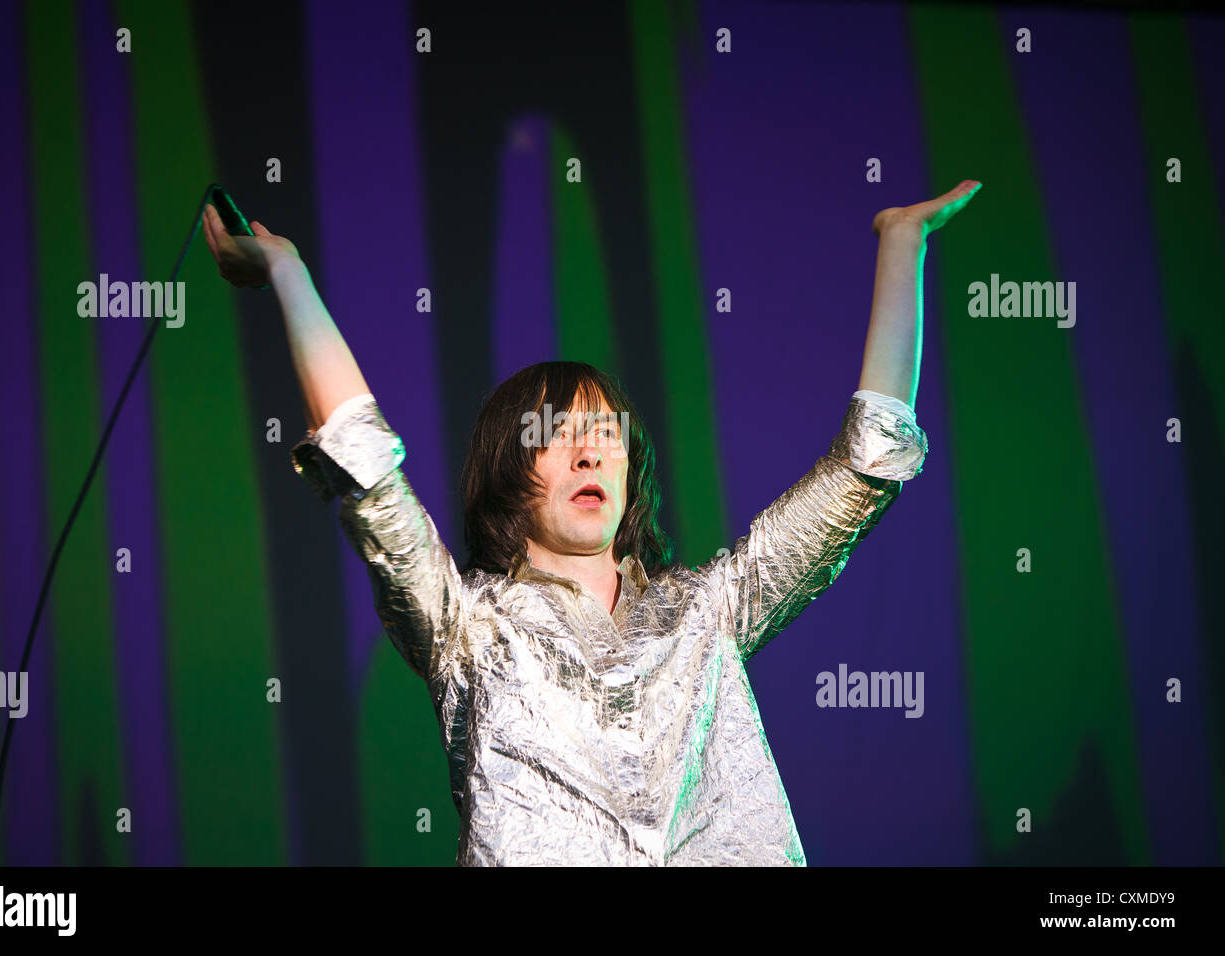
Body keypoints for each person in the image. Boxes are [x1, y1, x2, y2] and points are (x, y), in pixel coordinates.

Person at [201, 179, 980, 865]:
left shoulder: (709, 612)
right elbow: (365, 464)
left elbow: (866, 465)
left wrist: (900, 245)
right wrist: (289, 272)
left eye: (606, 434)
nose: (587, 454)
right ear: (512, 471)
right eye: (556, 436)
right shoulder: (467, 628)